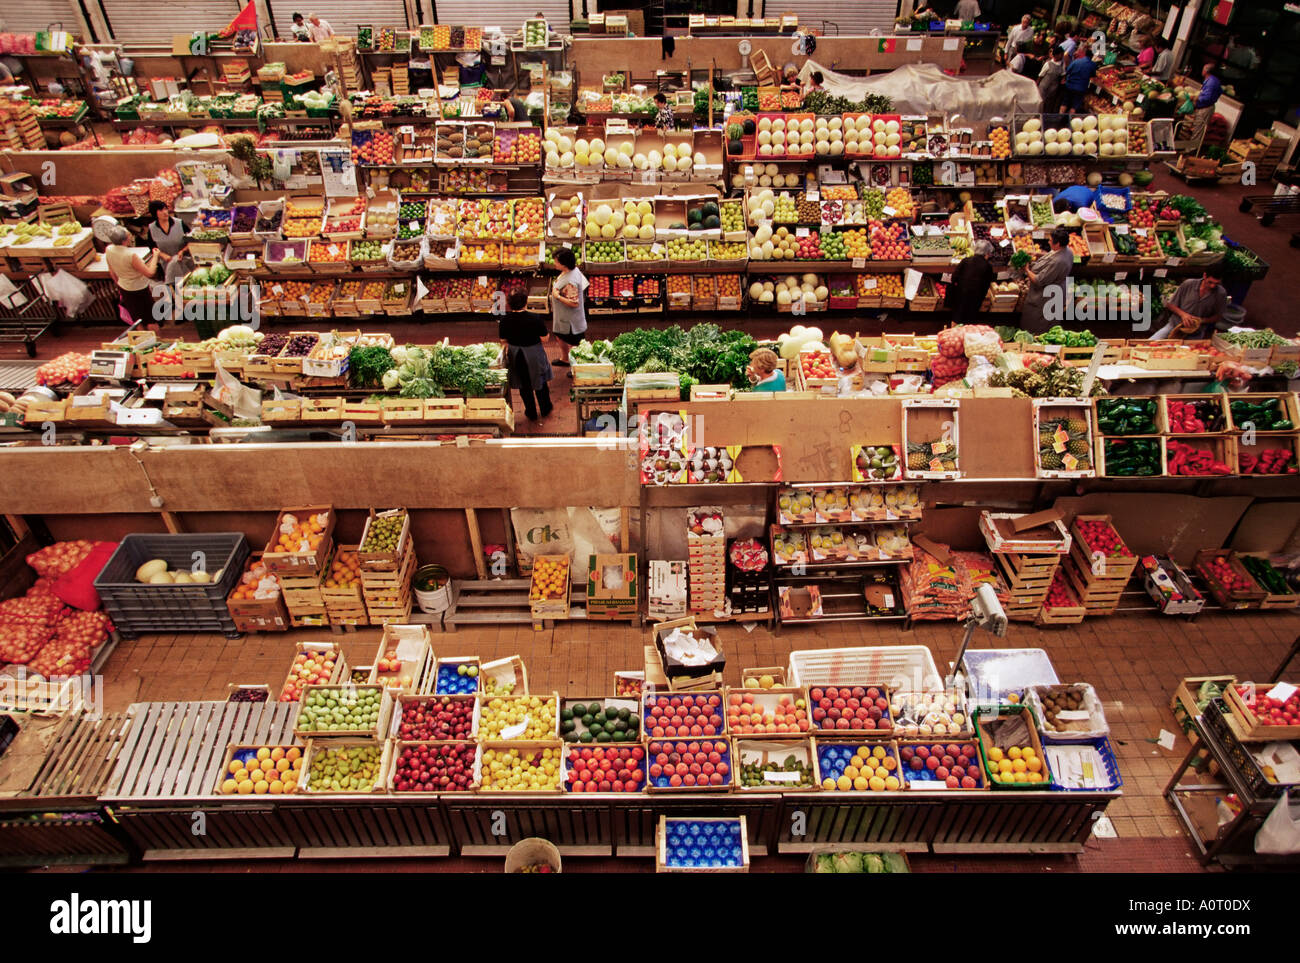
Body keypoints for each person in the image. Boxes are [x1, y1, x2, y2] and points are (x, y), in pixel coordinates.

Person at [500, 289, 553, 421]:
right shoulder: (535, 318)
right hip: (534, 355)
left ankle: (531, 412)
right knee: (540, 383)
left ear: (509, 304)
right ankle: (545, 409)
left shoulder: (504, 320)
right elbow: (545, 338)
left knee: (524, 386)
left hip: (516, 355)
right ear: (525, 303)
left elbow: (503, 340)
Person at [1148, 268, 1228, 341]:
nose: (1212, 286)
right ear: (1204, 276)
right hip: (1174, 325)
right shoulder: (1189, 284)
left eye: (1216, 283)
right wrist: (1183, 315)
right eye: (1210, 282)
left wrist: (1201, 320)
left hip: (1195, 332)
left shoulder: (1221, 293)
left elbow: (1218, 316)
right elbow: (1170, 305)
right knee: (1149, 343)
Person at [104, 224, 160, 327]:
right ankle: (157, 340)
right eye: (128, 235)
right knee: (151, 319)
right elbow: (150, 273)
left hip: (124, 288)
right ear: (124, 240)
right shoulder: (130, 255)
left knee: (137, 319)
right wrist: (155, 256)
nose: (130, 237)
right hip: (139, 289)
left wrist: (119, 284)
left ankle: (144, 341)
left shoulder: (109, 249)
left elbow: (111, 271)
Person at [1020, 228, 1073, 334]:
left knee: (1039, 324)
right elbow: (1051, 254)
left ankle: (1035, 344)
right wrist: (1036, 253)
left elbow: (1038, 280)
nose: (1048, 242)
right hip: (1057, 290)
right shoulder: (1067, 251)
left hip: (1046, 297)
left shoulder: (1058, 262)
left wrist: (1026, 269)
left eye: (1050, 240)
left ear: (1057, 243)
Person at [549, 247, 588, 369]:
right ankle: (565, 359)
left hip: (571, 321)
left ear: (564, 264)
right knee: (560, 336)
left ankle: (577, 368)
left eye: (556, 261)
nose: (554, 263)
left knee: (575, 344)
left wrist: (558, 296)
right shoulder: (571, 271)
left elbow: (574, 303)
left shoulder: (571, 280)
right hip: (563, 318)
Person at [946, 239, 996, 323]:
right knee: (969, 321)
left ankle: (954, 333)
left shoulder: (965, 261)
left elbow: (954, 277)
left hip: (960, 295)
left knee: (956, 318)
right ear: (987, 253)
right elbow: (986, 285)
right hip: (975, 299)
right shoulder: (988, 266)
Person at [146, 200, 192, 286]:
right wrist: (163, 255)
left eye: (165, 209)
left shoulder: (179, 223)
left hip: (184, 261)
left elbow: (191, 240)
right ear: (155, 213)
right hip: (167, 265)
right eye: (160, 210)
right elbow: (152, 247)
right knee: (175, 288)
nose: (165, 212)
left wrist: (183, 251)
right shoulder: (152, 228)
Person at [1062, 44, 1097, 113]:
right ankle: (1070, 121)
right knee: (1074, 106)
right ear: (1092, 56)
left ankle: (1059, 117)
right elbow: (1093, 75)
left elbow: (1068, 70)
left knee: (1064, 103)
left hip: (1070, 85)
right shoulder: (1092, 64)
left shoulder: (1076, 61)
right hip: (1081, 88)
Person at [1037, 46, 1064, 112]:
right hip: (1044, 87)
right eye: (1061, 54)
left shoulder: (1062, 64)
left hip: (1053, 89)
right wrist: (1037, 84)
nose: (1062, 56)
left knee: (1049, 104)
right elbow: (1041, 75)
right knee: (1041, 102)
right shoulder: (1048, 64)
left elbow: (1063, 74)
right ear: (1056, 55)